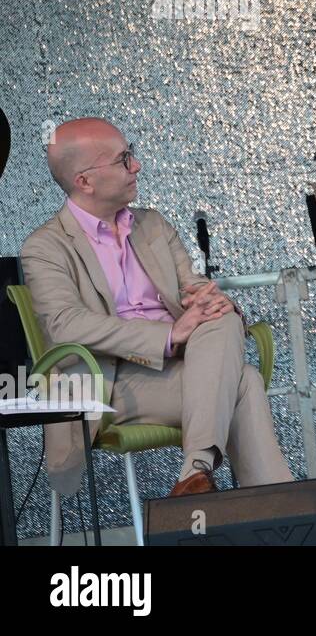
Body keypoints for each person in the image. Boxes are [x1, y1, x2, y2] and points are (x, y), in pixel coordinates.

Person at [22, 117, 294, 497]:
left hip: (187, 364)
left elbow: (191, 284)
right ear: (85, 181)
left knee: (222, 319)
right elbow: (67, 325)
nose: (137, 166)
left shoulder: (153, 225)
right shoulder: (45, 247)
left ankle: (195, 473)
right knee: (243, 382)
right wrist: (169, 334)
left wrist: (208, 299)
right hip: (109, 382)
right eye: (123, 159)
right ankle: (278, 518)